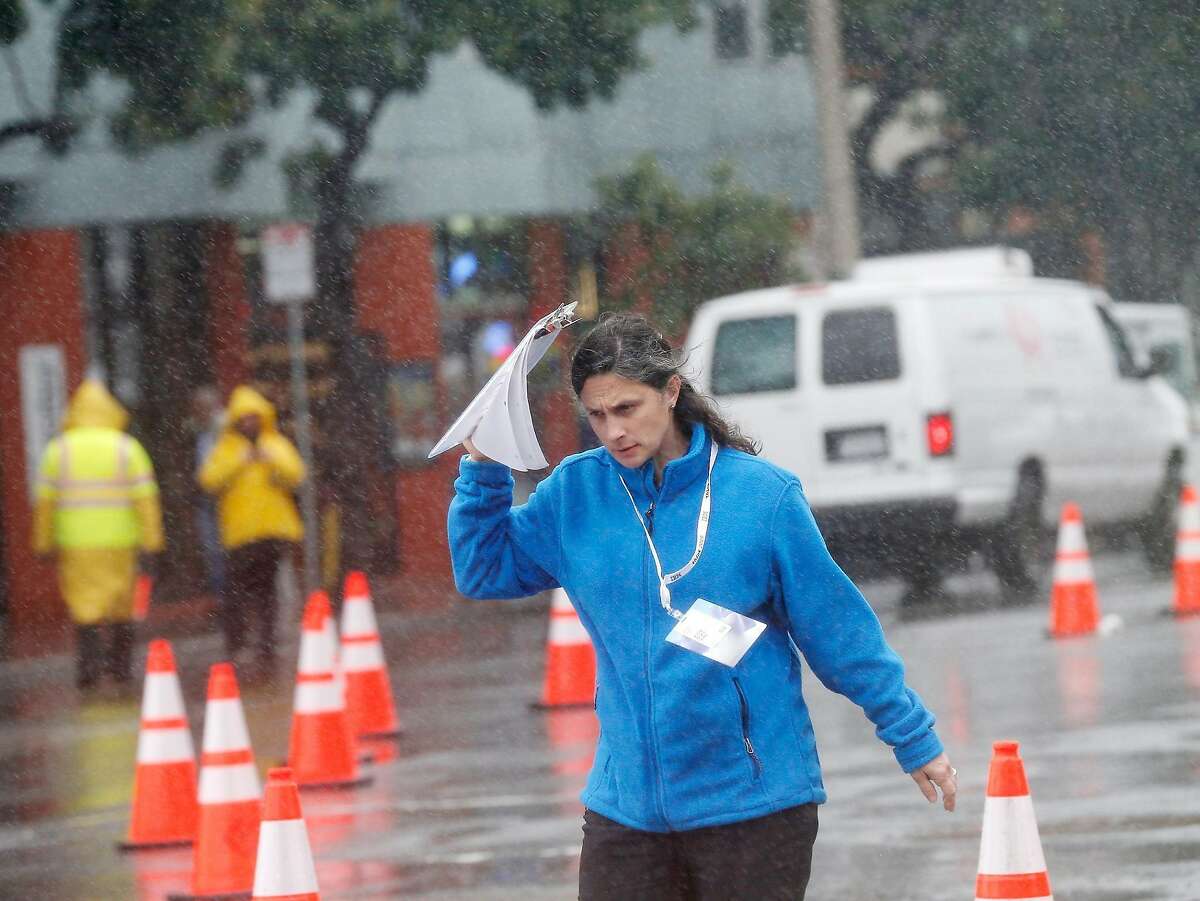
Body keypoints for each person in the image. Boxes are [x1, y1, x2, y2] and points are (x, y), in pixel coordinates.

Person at [448, 313, 956, 900]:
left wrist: (912, 736)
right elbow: (484, 570)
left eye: (628, 408)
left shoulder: (763, 497)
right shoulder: (574, 494)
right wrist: (483, 470)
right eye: (597, 415)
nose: (614, 431)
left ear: (670, 391)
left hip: (752, 808)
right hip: (627, 814)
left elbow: (840, 634)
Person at [33, 379, 163, 690]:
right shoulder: (126, 448)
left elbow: (45, 505)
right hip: (120, 541)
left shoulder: (58, 450)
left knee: (85, 606)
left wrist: (42, 543)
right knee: (121, 605)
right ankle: (120, 668)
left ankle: (89, 670)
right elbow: (146, 500)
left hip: (77, 544)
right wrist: (153, 541)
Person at [198, 385, 305, 672]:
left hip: (272, 531)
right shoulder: (227, 448)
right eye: (243, 419)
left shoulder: (275, 444)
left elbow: (297, 473)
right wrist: (238, 462)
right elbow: (208, 479)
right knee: (235, 592)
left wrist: (271, 462)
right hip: (240, 534)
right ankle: (237, 644)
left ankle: (266, 646)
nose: (249, 424)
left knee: (267, 592)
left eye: (253, 418)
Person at [190, 385, 226, 601]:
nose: (200, 413)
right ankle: (223, 602)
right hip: (207, 501)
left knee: (221, 553)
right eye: (197, 409)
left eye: (204, 408)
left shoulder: (225, 431)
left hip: (223, 500)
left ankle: (228, 603)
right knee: (213, 552)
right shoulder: (199, 433)